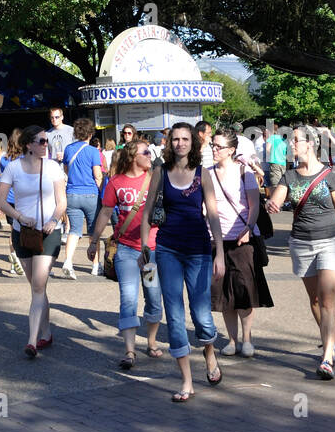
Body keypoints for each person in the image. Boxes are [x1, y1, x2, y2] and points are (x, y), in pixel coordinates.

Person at [266, 123, 335, 379]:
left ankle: (327, 356)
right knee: (315, 300)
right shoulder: (289, 176)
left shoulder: (330, 175)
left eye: (295, 140)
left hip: (332, 242)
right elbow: (277, 198)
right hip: (302, 243)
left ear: (310, 143)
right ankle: (330, 341)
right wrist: (271, 204)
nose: (290, 144)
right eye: (290, 140)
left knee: (327, 298)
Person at [140, 121, 225, 402]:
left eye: (184, 138)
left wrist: (220, 253)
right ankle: (187, 381)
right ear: (169, 143)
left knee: (201, 316)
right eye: (175, 139)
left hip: (199, 249)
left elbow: (212, 214)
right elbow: (148, 209)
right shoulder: (160, 171)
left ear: (193, 142)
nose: (179, 143)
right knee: (174, 313)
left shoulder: (203, 174)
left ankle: (209, 352)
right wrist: (144, 243)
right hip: (167, 249)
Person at [87, 139, 165, 369]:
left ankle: (151, 342)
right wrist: (93, 241)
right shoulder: (115, 182)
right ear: (133, 156)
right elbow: (105, 212)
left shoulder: (155, 179)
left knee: (153, 295)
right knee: (128, 298)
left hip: (150, 252)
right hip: (126, 252)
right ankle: (130, 351)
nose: (150, 155)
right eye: (145, 152)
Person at [0, 124, 68, 357]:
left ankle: (32, 341)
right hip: (23, 232)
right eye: (41, 141)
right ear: (28, 144)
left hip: (48, 233)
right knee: (37, 287)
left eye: (47, 141)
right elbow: (0, 200)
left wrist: (54, 220)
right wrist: (18, 216)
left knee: (38, 285)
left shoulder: (54, 168)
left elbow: (61, 201)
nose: (45, 145)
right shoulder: (14, 168)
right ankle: (46, 332)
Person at [208, 129, 273, 355]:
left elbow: (254, 205)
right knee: (224, 293)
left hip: (242, 240)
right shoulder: (207, 173)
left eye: (218, 146)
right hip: (217, 240)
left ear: (231, 150)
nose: (214, 150)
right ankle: (232, 340)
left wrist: (248, 227)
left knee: (244, 291)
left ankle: (247, 339)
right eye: (212, 146)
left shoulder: (244, 172)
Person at [60, 118, 104, 279]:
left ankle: (68, 262)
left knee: (74, 230)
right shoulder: (93, 152)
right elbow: (97, 175)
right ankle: (95, 265)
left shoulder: (68, 149)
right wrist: (102, 193)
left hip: (72, 193)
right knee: (94, 232)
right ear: (90, 134)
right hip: (90, 194)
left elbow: (66, 169)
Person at [2, 128, 26, 277]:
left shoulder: (4, 160)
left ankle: (13, 260)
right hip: (23, 198)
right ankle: (24, 259)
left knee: (13, 230)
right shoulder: (26, 159)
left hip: (9, 199)